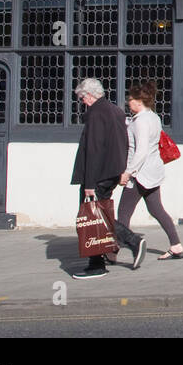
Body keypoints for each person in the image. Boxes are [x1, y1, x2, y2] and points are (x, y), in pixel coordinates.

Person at [70, 78, 142, 278]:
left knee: (92, 218)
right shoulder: (115, 111)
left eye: (82, 98)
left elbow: (94, 150)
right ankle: (98, 260)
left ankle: (105, 259)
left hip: (97, 175)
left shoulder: (96, 114)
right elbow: (123, 144)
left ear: (90, 95)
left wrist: (90, 184)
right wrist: (121, 170)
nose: (82, 102)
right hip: (111, 172)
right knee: (96, 216)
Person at [117, 81, 183, 260]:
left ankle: (116, 251)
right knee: (157, 210)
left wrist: (128, 172)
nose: (128, 102)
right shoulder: (153, 117)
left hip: (140, 175)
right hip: (154, 173)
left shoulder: (141, 122)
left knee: (123, 213)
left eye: (130, 99)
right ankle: (176, 245)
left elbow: (141, 151)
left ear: (139, 101)